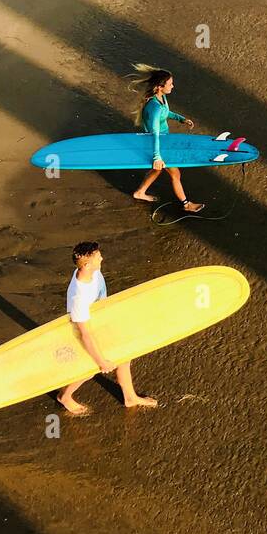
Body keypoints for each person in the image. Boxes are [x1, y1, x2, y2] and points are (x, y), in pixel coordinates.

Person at [58, 241, 157, 414]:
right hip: (84, 329)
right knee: (89, 369)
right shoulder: (79, 297)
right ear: (87, 264)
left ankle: (130, 397)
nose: (102, 258)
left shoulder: (89, 271)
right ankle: (65, 396)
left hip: (98, 321)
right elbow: (85, 334)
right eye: (98, 257)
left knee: (124, 355)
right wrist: (101, 362)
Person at [130, 64, 204, 211]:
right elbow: (155, 133)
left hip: (164, 140)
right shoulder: (154, 107)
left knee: (157, 170)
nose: (173, 86)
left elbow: (167, 112)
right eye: (170, 84)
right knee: (175, 173)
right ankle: (186, 204)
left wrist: (181, 119)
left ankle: (140, 192)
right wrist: (157, 157)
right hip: (157, 143)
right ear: (159, 86)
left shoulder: (161, 98)